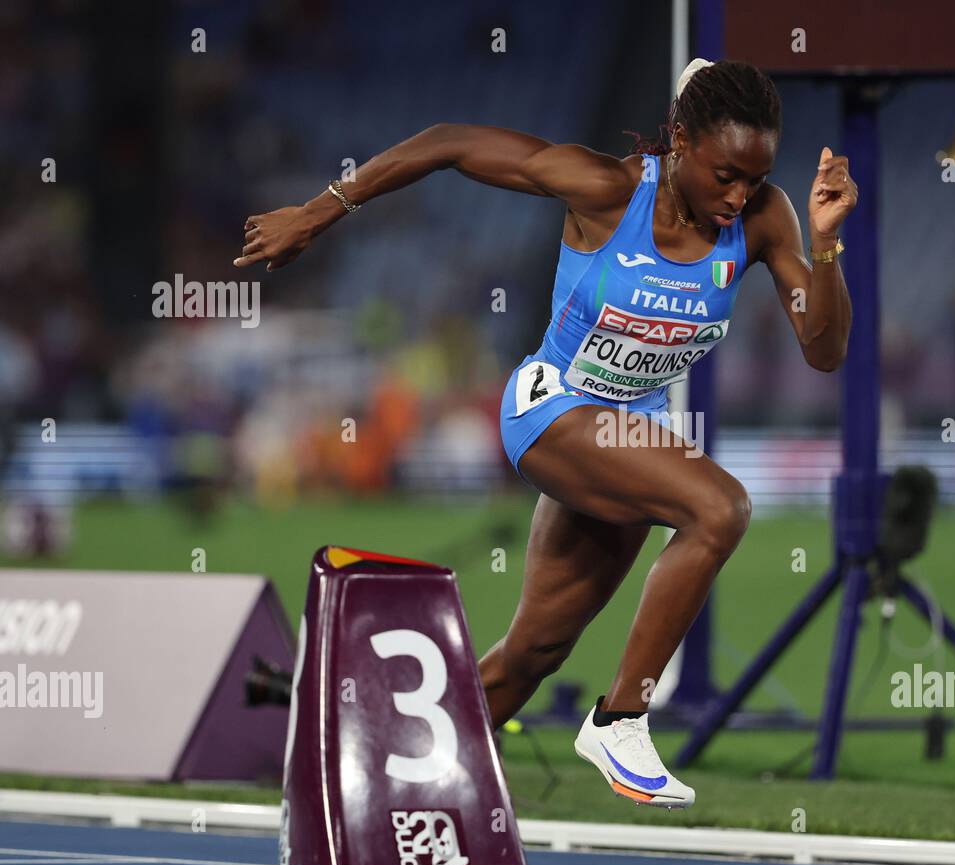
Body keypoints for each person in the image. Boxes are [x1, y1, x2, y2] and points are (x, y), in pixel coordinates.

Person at [234, 58, 856, 808]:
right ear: (681, 142)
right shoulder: (605, 188)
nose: (739, 194)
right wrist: (320, 209)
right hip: (551, 409)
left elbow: (824, 351)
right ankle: (622, 717)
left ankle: (383, 796)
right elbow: (450, 142)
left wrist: (824, 244)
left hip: (629, 440)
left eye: (755, 178)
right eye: (725, 174)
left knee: (534, 653)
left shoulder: (763, 219)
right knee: (720, 508)